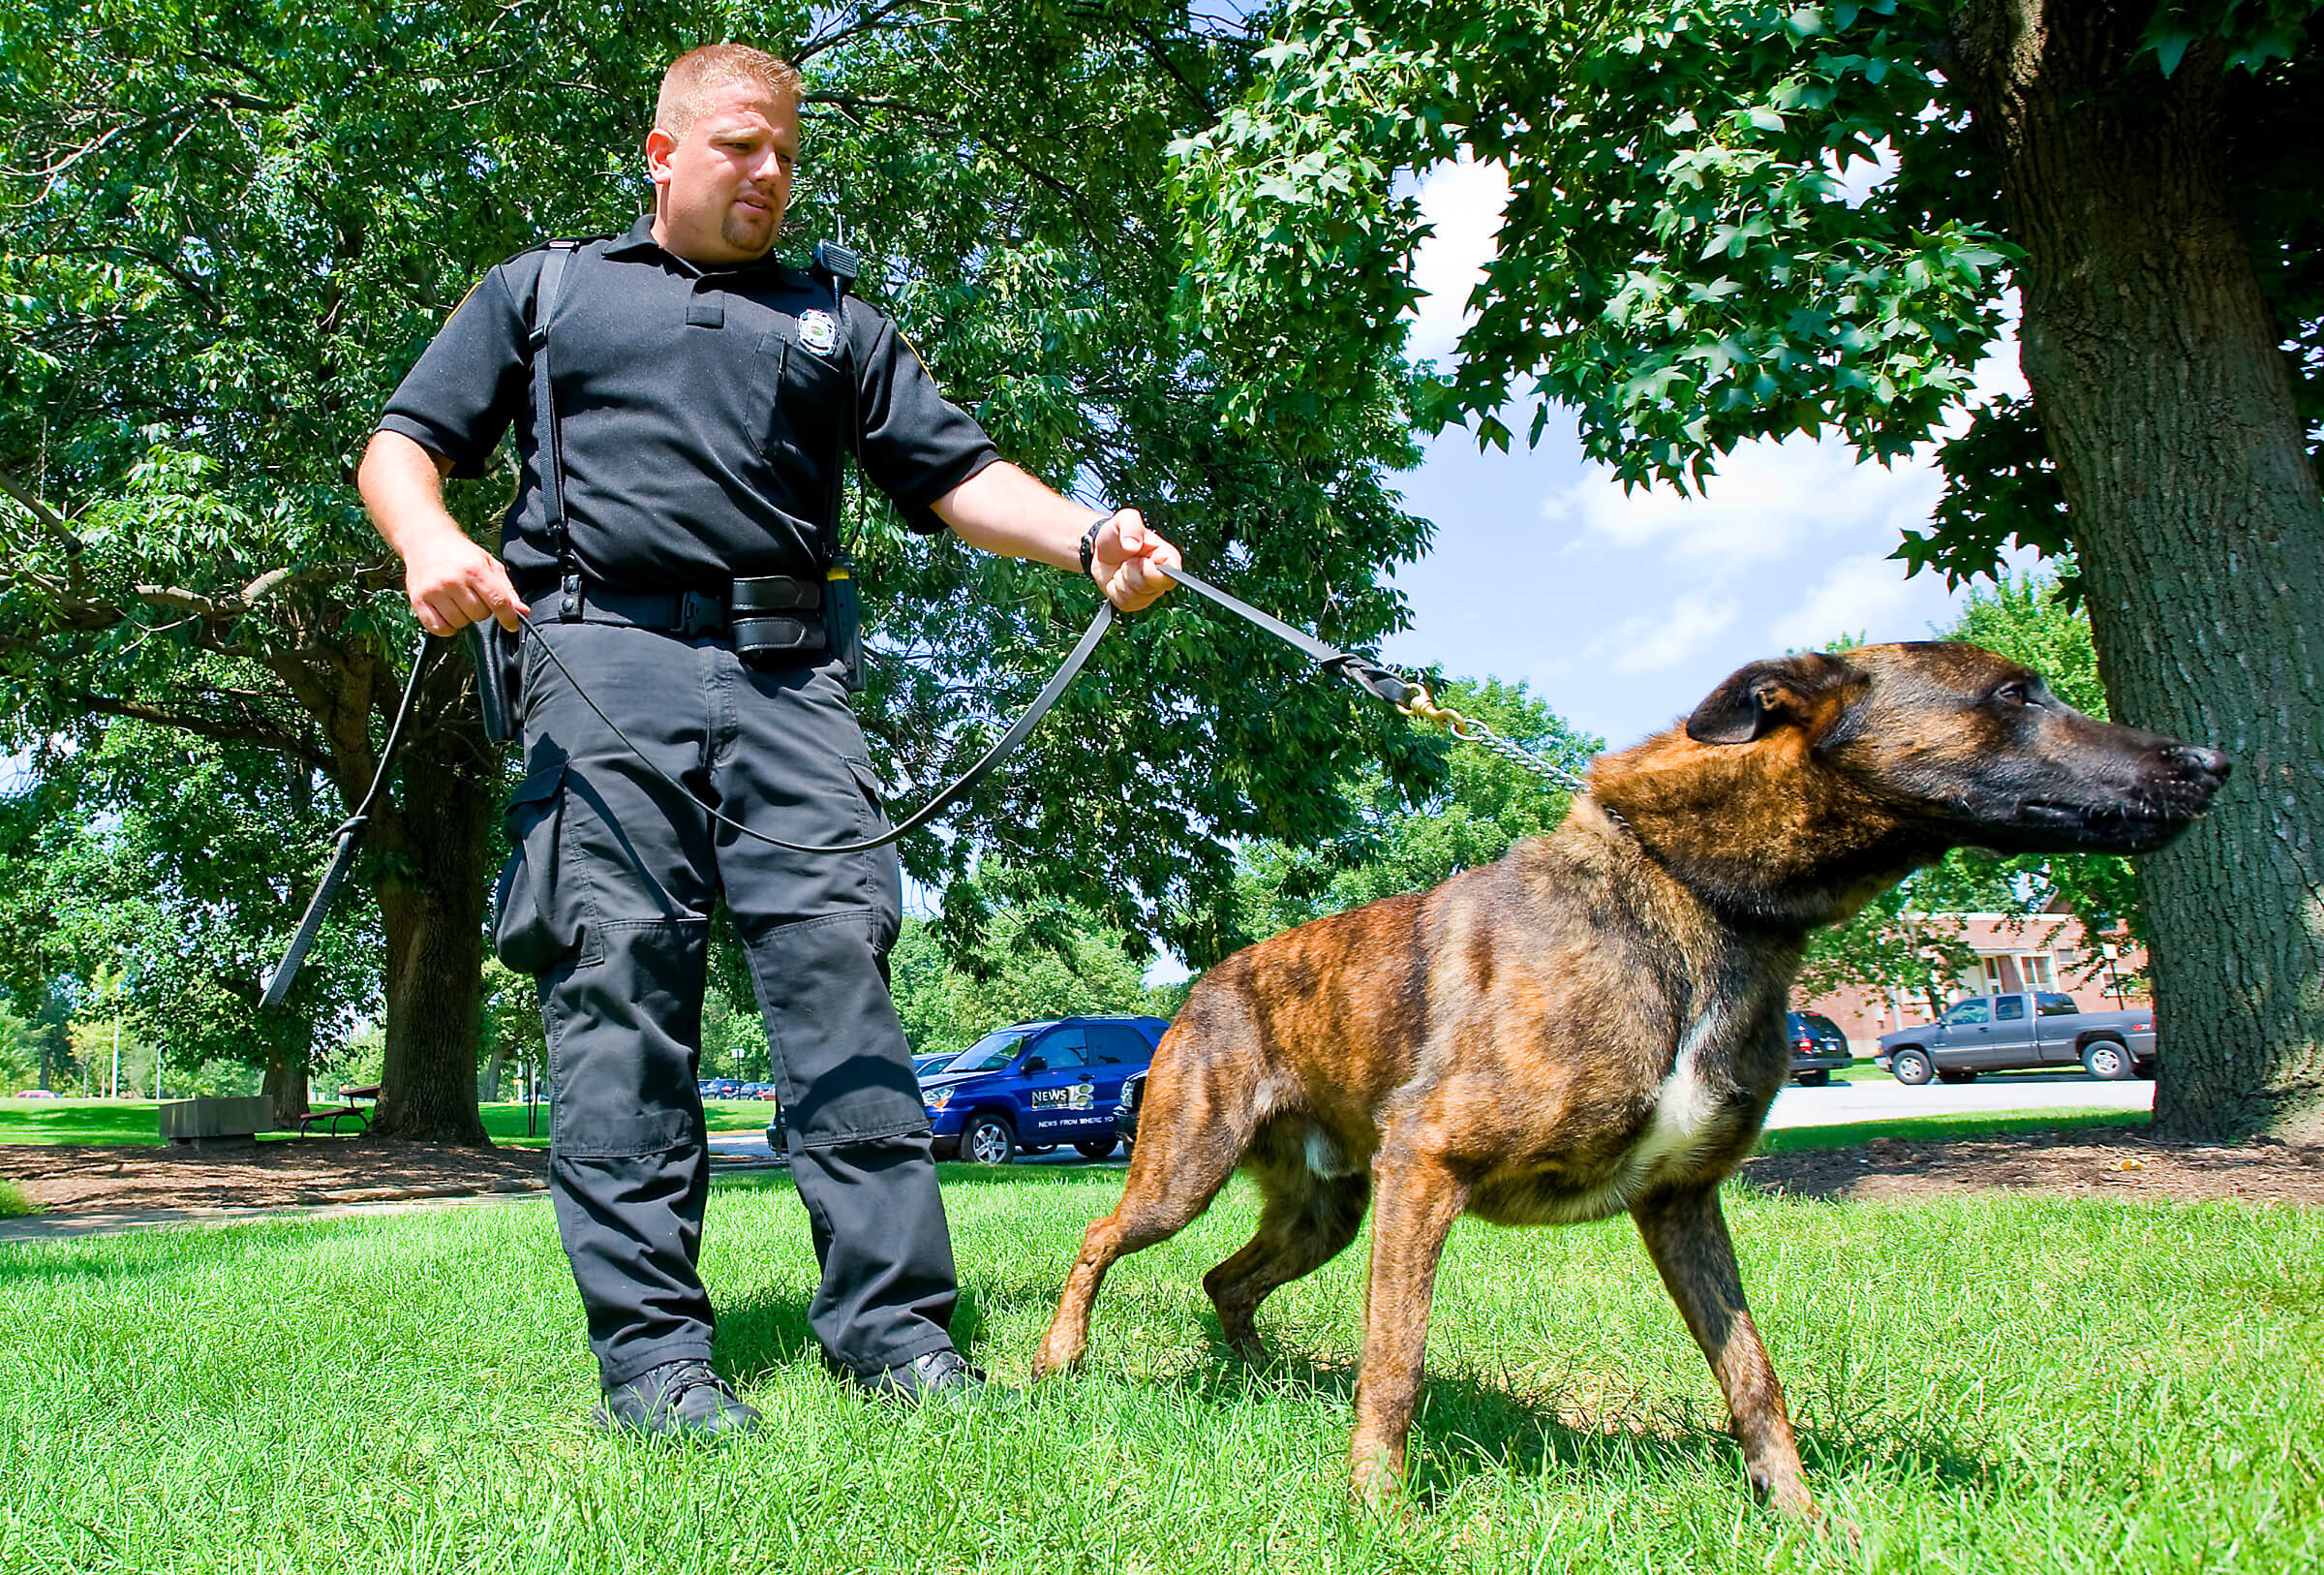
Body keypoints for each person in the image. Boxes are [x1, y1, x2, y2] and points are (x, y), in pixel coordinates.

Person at [357, 42, 1179, 1438]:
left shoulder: (834, 320)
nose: (772, 173)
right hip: (597, 653)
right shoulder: (547, 292)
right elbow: (403, 445)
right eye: (742, 145)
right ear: (665, 151)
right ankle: (658, 1363)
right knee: (618, 989)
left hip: (793, 677)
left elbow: (958, 475)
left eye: (789, 151)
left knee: (839, 991)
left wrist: (1091, 534)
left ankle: (896, 1334)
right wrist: (429, 540)